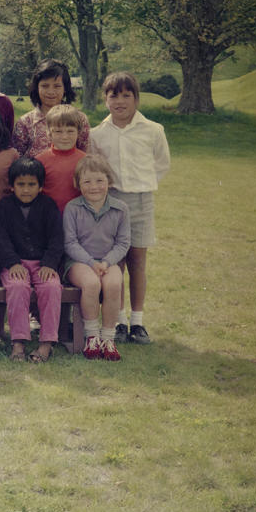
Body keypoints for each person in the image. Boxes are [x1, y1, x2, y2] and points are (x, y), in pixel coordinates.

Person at [89, 71, 170, 345]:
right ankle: (119, 320)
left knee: (137, 261)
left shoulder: (153, 130)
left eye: (127, 95)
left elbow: (161, 164)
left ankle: (138, 321)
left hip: (141, 201)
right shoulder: (96, 134)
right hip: (111, 203)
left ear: (136, 98)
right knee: (116, 264)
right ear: (105, 99)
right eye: (114, 95)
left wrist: (141, 184)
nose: (120, 101)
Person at [0, 157, 64, 362]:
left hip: (43, 264)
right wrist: (13, 262)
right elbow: (1, 238)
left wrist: (49, 263)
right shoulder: (4, 206)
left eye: (31, 185)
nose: (26, 190)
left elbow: (57, 238)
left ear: (40, 186)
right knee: (17, 288)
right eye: (20, 184)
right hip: (14, 263)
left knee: (51, 288)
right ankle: (18, 342)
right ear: (12, 186)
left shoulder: (48, 206)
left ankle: (46, 343)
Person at [63, 153, 130, 361]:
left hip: (108, 261)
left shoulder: (121, 209)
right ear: (78, 184)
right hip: (80, 262)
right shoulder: (73, 208)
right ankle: (91, 335)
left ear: (109, 182)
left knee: (113, 284)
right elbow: (70, 242)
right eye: (87, 182)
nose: (94, 186)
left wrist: (107, 262)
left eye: (100, 180)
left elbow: (123, 242)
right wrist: (91, 263)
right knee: (91, 284)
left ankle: (108, 338)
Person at [13, 59, 90, 157]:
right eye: (45, 86)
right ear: (37, 88)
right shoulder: (25, 123)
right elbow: (17, 161)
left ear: (65, 88)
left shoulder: (79, 119)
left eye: (57, 86)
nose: (51, 91)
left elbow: (85, 157)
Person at [37, 104, 88, 214]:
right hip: (48, 218)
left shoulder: (86, 161)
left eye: (70, 131)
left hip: (78, 218)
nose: (64, 137)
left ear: (78, 132)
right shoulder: (40, 161)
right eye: (58, 131)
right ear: (49, 133)